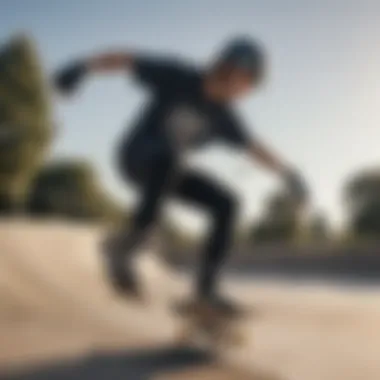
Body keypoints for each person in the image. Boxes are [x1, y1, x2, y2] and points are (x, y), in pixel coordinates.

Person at [54, 36, 308, 315]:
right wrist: (82, 67)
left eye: (251, 87)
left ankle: (205, 293)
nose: (245, 92)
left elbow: (254, 147)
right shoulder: (179, 76)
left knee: (227, 203)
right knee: (170, 156)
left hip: (168, 175)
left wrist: (288, 174)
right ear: (230, 69)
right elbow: (127, 59)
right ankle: (128, 245)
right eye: (247, 82)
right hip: (135, 157)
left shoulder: (225, 117)